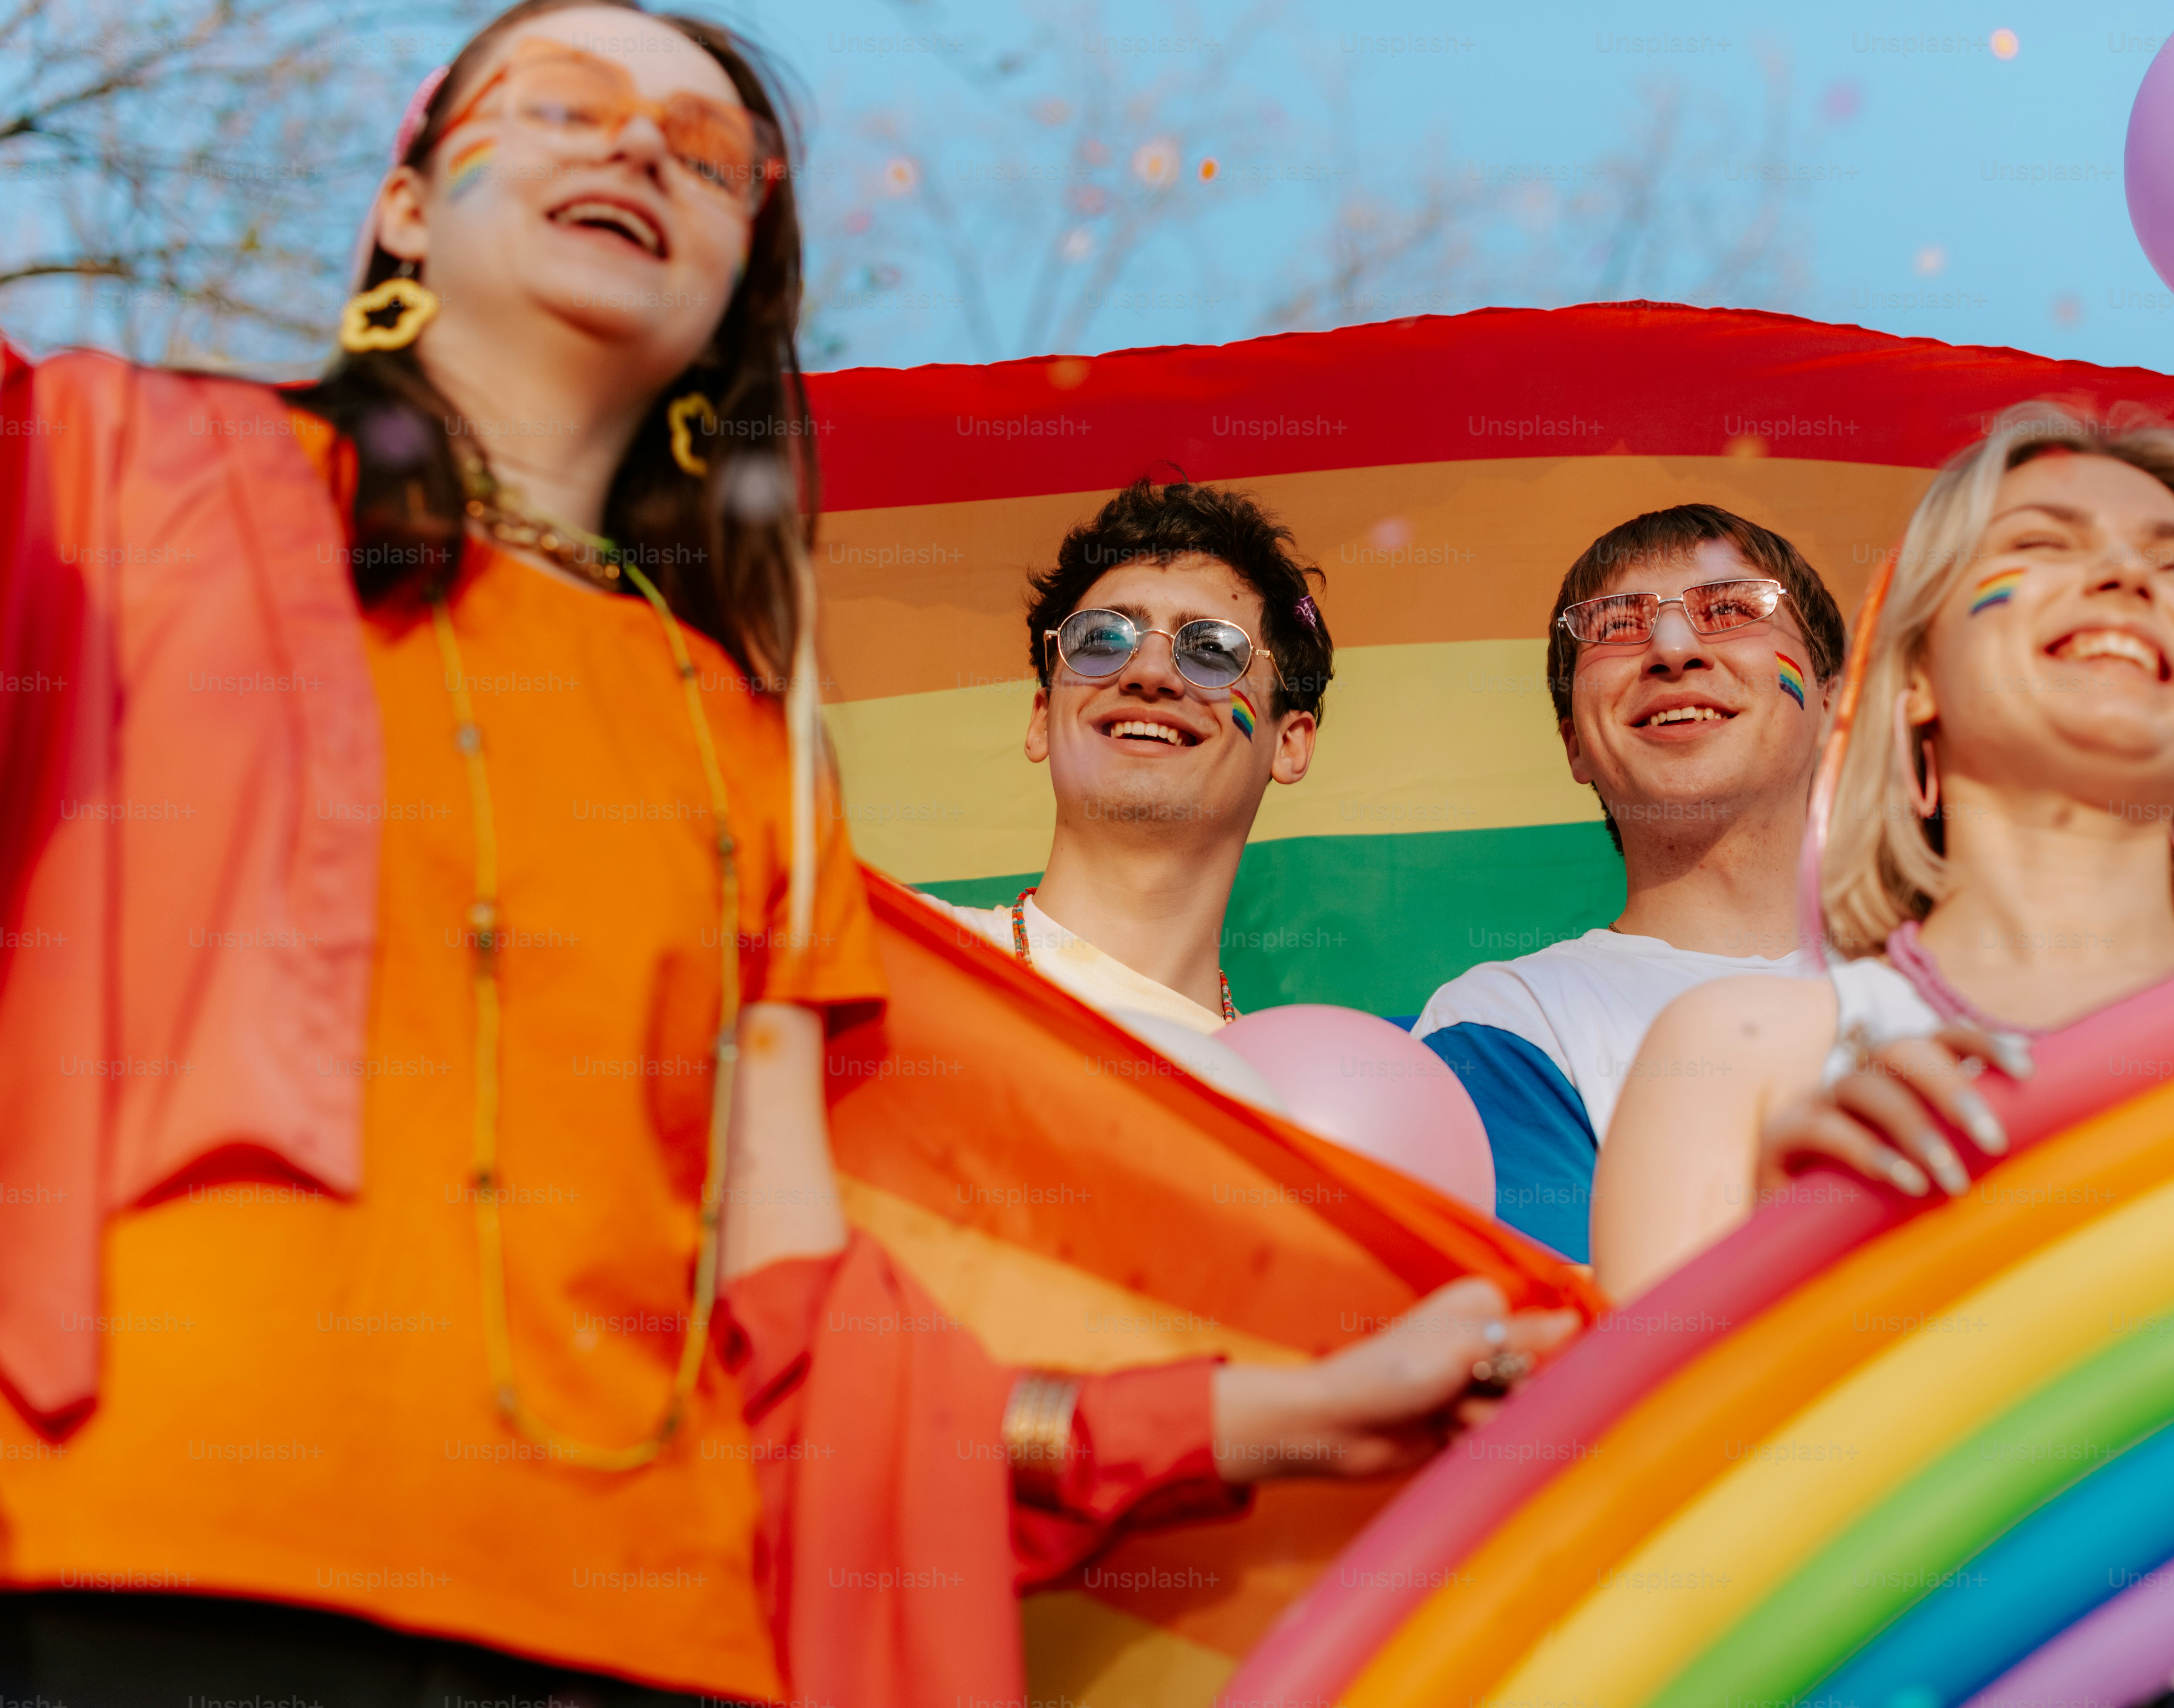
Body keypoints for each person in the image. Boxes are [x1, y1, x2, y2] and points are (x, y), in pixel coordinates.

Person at [0, 6, 1575, 1704]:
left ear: (742, 285)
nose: (632, 148)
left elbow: (809, 1342)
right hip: (135, 1565)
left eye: (704, 152)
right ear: (401, 206)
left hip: (641, 1638)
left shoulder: (737, 744)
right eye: (564, 103)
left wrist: (1270, 1412)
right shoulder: (104, 478)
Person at [1594, 389, 2174, 1301]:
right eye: (2042, 546)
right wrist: (1794, 1251)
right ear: (1916, 683)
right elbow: (1637, 1438)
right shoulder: (1740, 1057)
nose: (2124, 578)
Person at [1409, 505, 1847, 1260]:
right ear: (1576, 744)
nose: (1673, 649)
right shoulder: (1501, 1028)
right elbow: (1594, 1357)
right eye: (1615, 625)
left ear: (1838, 709)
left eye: (1733, 609)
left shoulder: (1984, 988)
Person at [929, 473, 1330, 1034]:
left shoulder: (1283, 1105)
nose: (1149, 673)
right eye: (1101, 639)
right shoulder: (893, 962)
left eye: (1213, 651)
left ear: (1288, 744)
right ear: (1043, 719)